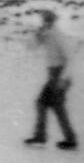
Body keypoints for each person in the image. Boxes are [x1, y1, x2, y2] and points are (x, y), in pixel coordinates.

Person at [24, 9, 78, 150]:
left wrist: (63, 79)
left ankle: (64, 139)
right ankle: (45, 137)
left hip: (59, 75)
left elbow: (70, 57)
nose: (45, 22)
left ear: (53, 20)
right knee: (45, 104)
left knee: (50, 105)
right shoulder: (46, 34)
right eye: (44, 19)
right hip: (53, 75)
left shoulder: (57, 35)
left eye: (47, 19)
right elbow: (30, 47)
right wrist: (37, 35)